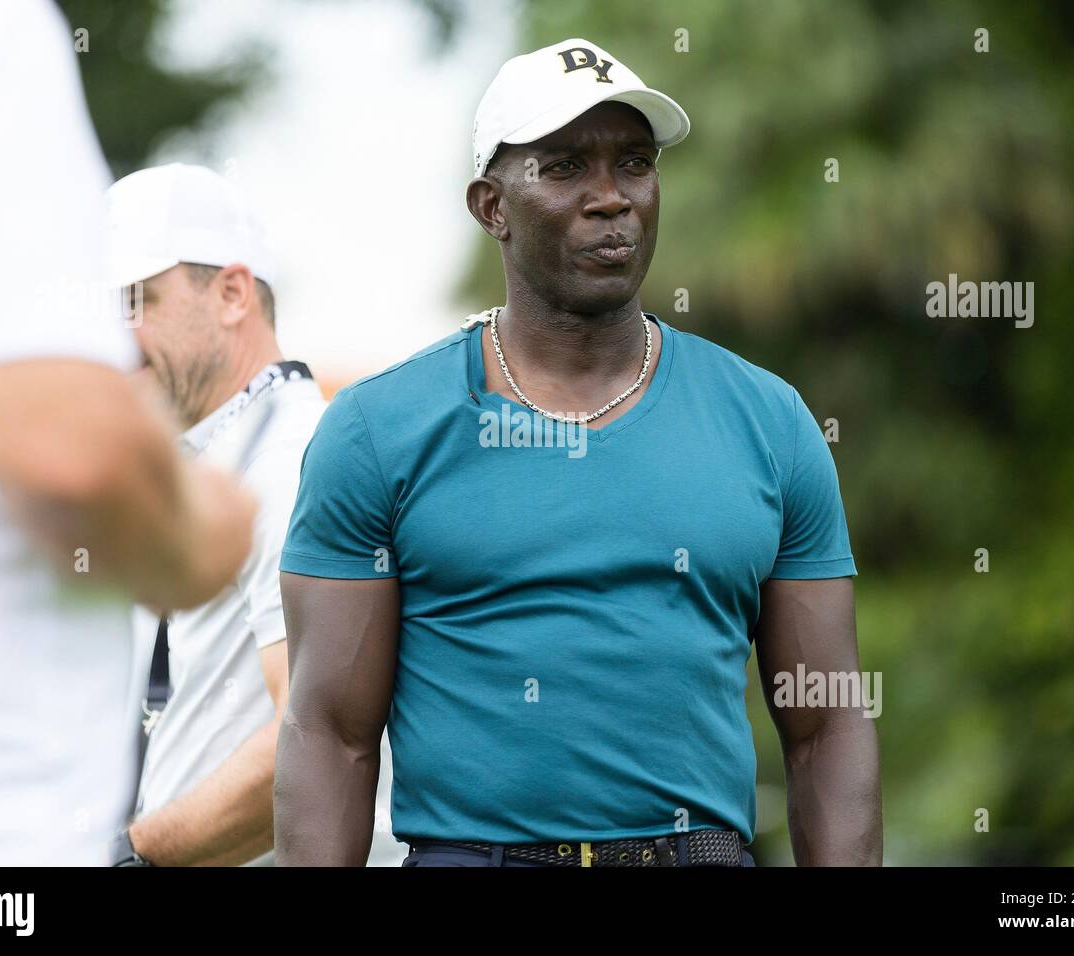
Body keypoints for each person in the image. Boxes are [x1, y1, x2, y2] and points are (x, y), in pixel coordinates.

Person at [275, 38, 880, 867]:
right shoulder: (378, 432)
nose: (611, 199)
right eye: (564, 168)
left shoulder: (768, 422)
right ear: (491, 206)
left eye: (633, 163)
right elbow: (330, 735)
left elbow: (828, 726)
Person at [0, 3, 255, 865]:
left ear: (235, 293)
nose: (121, 337)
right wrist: (200, 536)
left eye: (141, 300)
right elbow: (70, 457)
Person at [105, 164, 327, 866]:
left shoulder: (292, 460)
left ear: (232, 294)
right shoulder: (219, 450)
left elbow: (313, 736)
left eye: (134, 300)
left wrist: (131, 858)